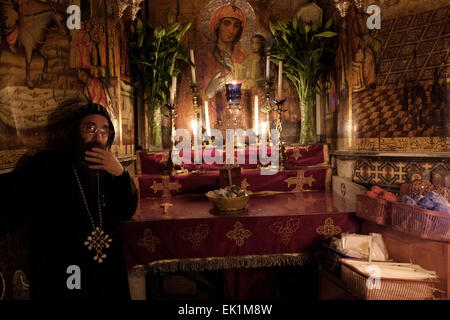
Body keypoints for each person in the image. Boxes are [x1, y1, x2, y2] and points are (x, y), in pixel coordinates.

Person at [3, 103, 138, 299]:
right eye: (90, 128)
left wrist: (121, 174)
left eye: (104, 130)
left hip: (107, 271)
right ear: (75, 132)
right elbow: (11, 199)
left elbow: (127, 209)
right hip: (63, 270)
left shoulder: (110, 170)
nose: (98, 136)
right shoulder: (48, 164)